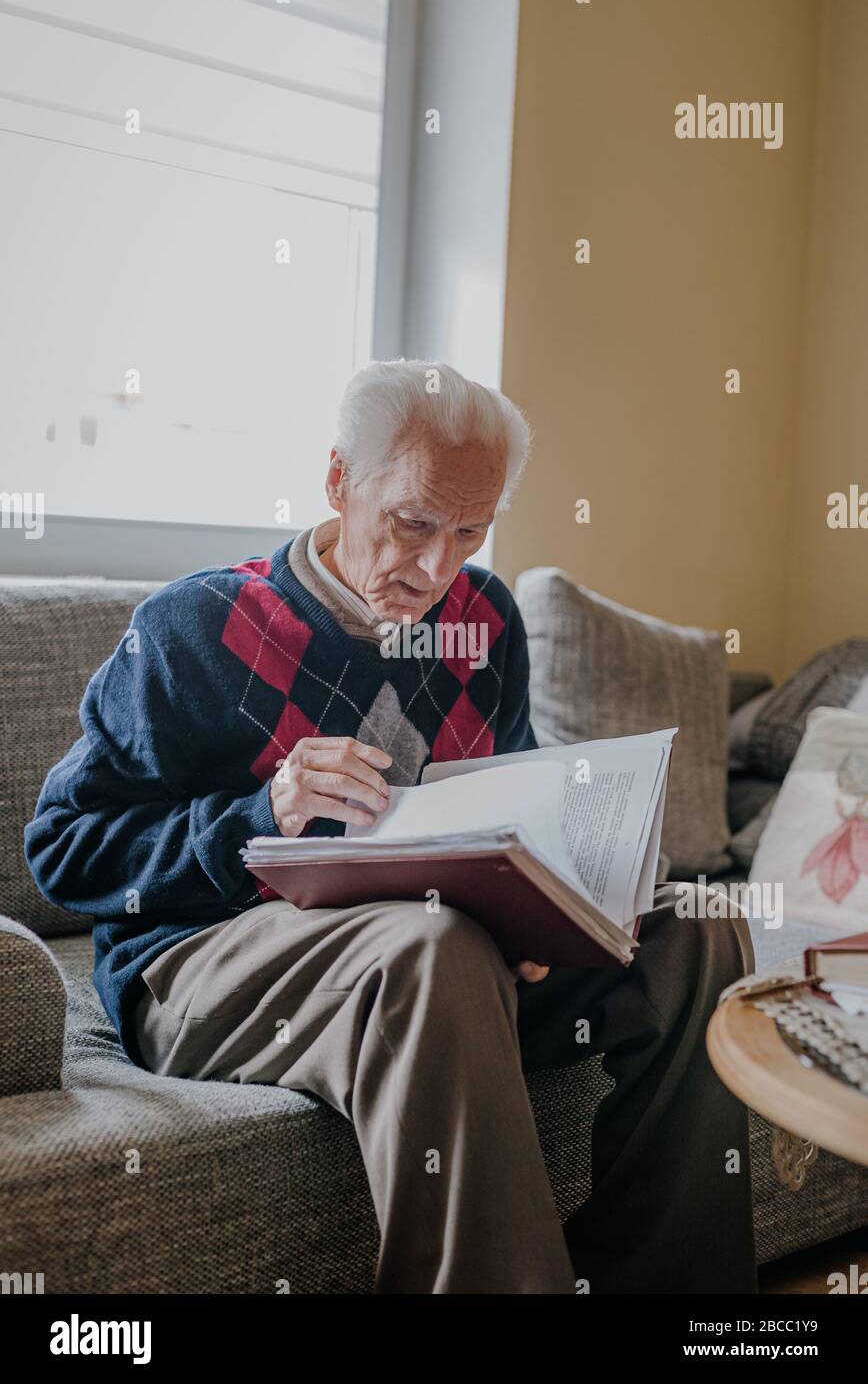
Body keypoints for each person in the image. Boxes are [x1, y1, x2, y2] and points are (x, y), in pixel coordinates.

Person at [25, 359, 758, 1294]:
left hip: (441, 948)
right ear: (339, 480)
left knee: (702, 933)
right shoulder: (193, 627)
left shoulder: (485, 620)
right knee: (433, 946)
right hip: (205, 962)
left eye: (470, 531)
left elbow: (512, 800)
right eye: (413, 523)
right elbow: (63, 850)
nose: (436, 568)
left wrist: (546, 906)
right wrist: (262, 815)